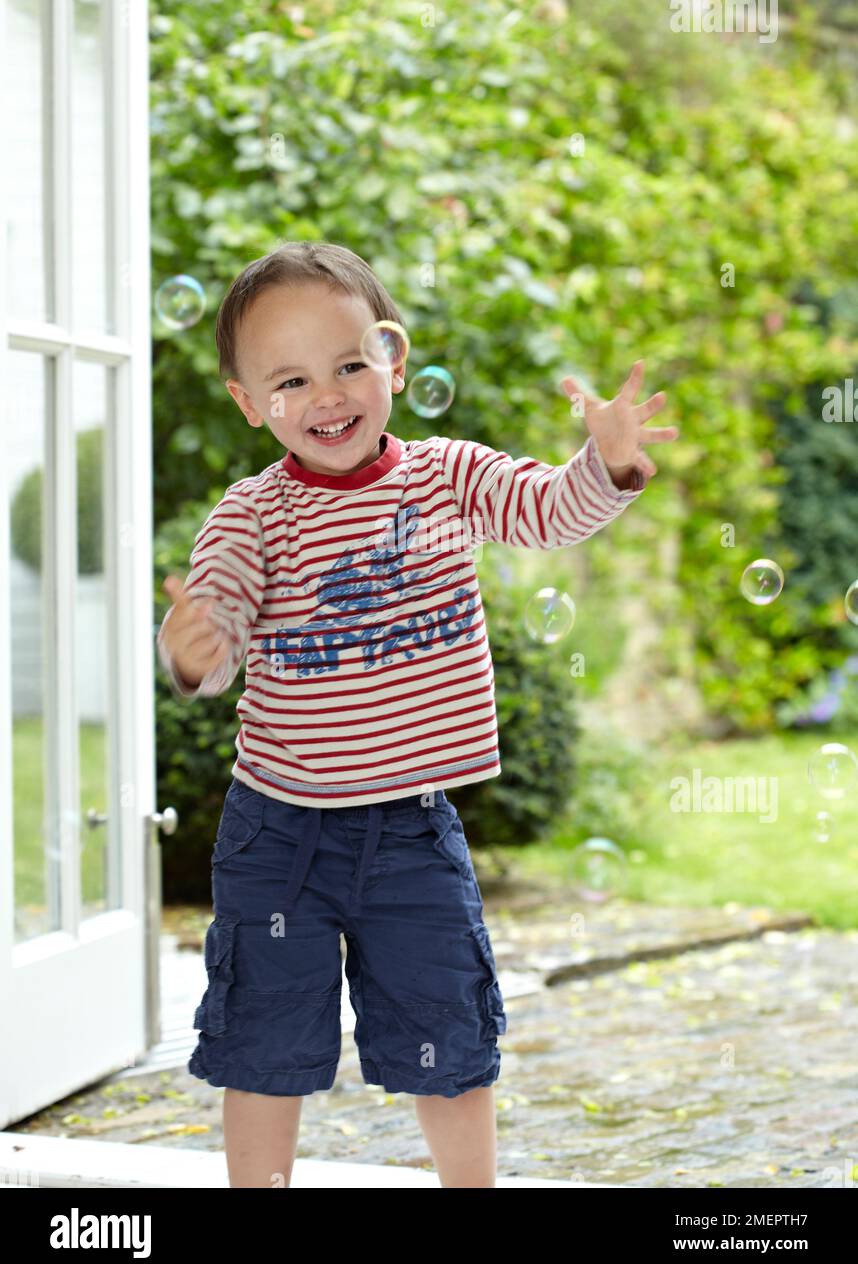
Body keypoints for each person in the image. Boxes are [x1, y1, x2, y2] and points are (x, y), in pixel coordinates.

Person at [157, 241, 678, 1187]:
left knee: (448, 1027)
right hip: (279, 834)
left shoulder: (448, 477)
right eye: (292, 379)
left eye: (352, 363)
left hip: (411, 828)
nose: (329, 395)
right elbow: (218, 620)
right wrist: (193, 650)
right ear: (249, 403)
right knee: (265, 1036)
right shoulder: (252, 516)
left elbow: (545, 509)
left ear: (395, 360)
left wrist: (602, 465)